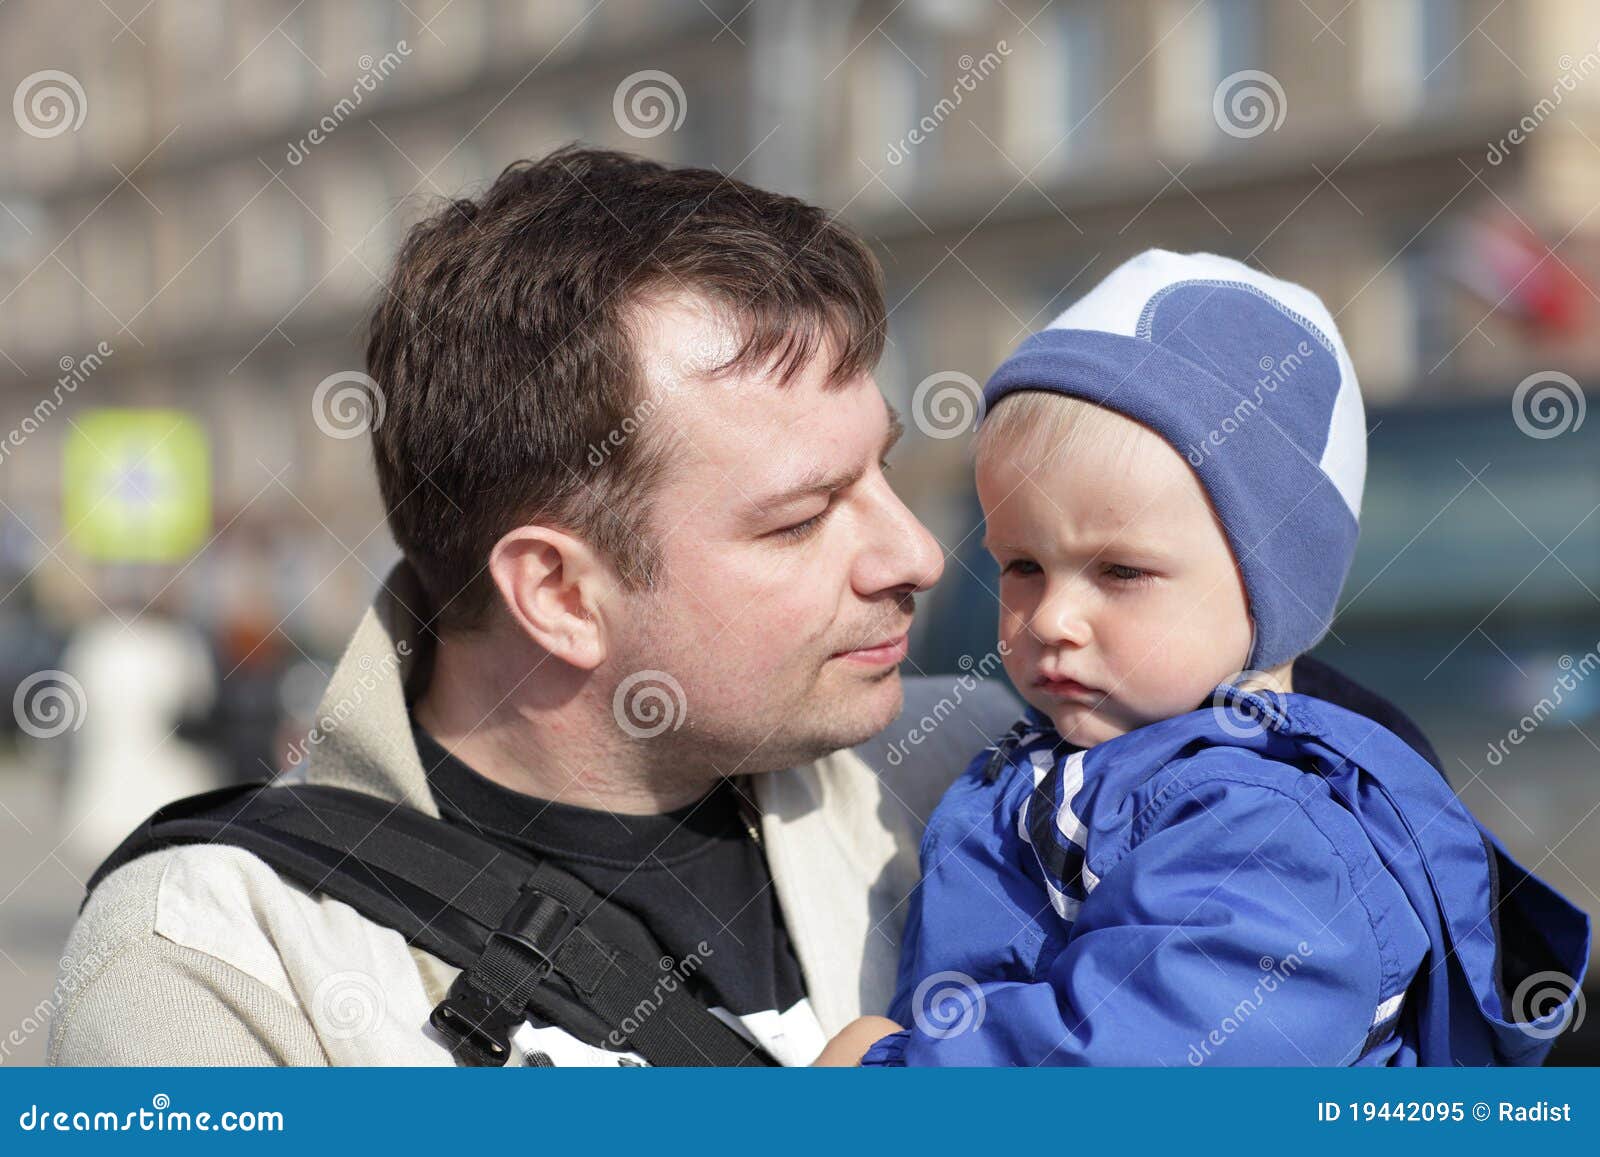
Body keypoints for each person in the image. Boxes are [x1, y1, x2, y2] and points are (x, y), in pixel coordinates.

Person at [49, 158, 1464, 1067]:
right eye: (801, 517)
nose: (916, 554)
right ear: (556, 590)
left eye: (887, 474)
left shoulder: (990, 762)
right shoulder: (220, 955)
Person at [821, 251, 1591, 1067]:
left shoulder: (1265, 830)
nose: (1053, 617)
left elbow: (1140, 1074)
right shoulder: (1101, 763)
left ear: (1272, 590)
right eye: (1021, 565)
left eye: (1120, 572)